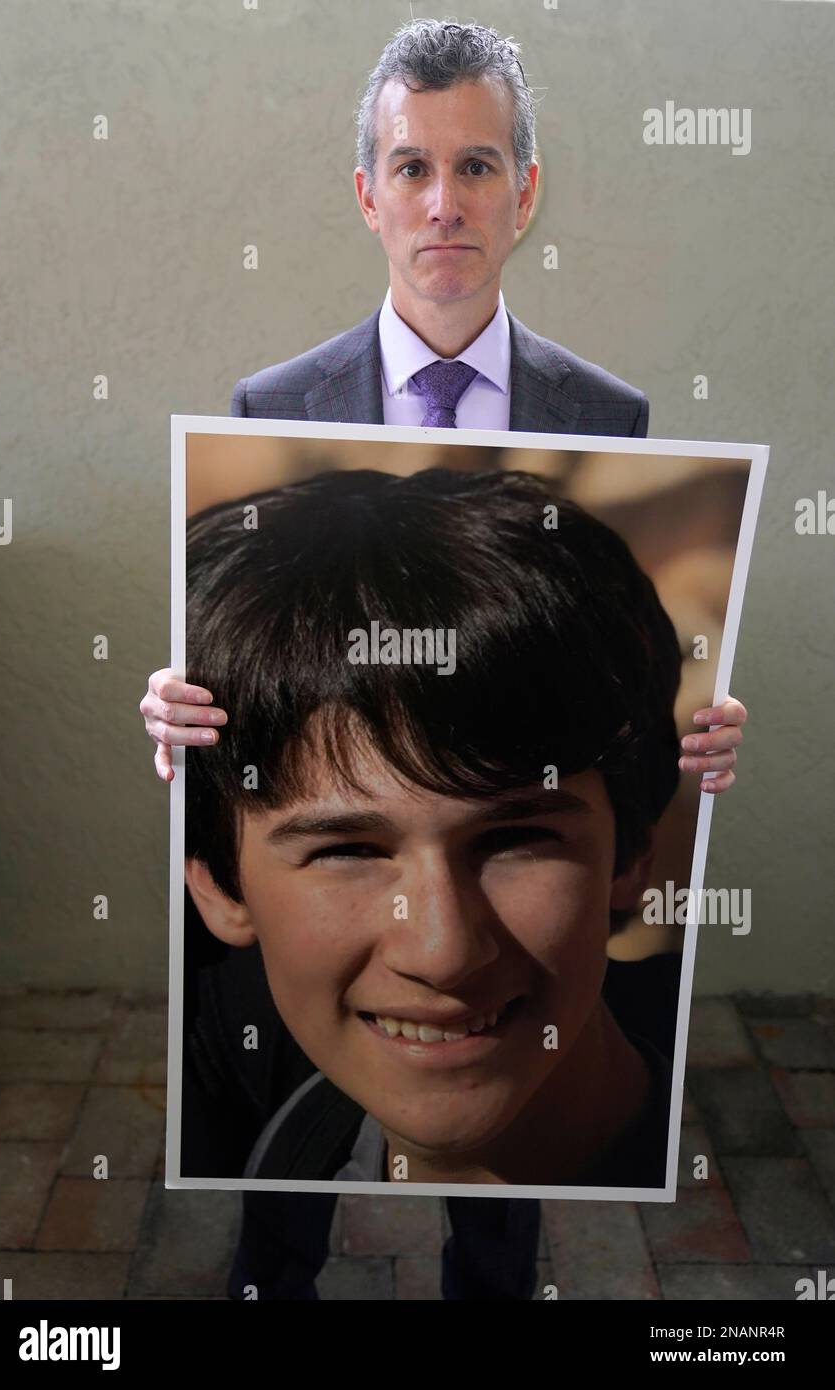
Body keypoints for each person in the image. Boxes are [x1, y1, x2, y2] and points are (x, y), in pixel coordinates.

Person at [140, 19, 746, 1298]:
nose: (442, 202)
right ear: (367, 195)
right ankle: (276, 1267)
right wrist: (179, 704)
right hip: (326, 875)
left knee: (503, 1130)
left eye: (475, 167)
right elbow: (243, 670)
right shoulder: (270, 409)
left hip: (505, 829)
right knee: (278, 1165)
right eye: (410, 168)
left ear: (524, 191)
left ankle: (490, 1273)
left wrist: (693, 715)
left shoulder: (605, 415)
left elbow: (599, 683)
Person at [182, 467, 684, 1199]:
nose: (443, 953)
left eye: (514, 840)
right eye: (347, 851)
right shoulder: (230, 1076)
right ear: (220, 887)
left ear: (633, 850)